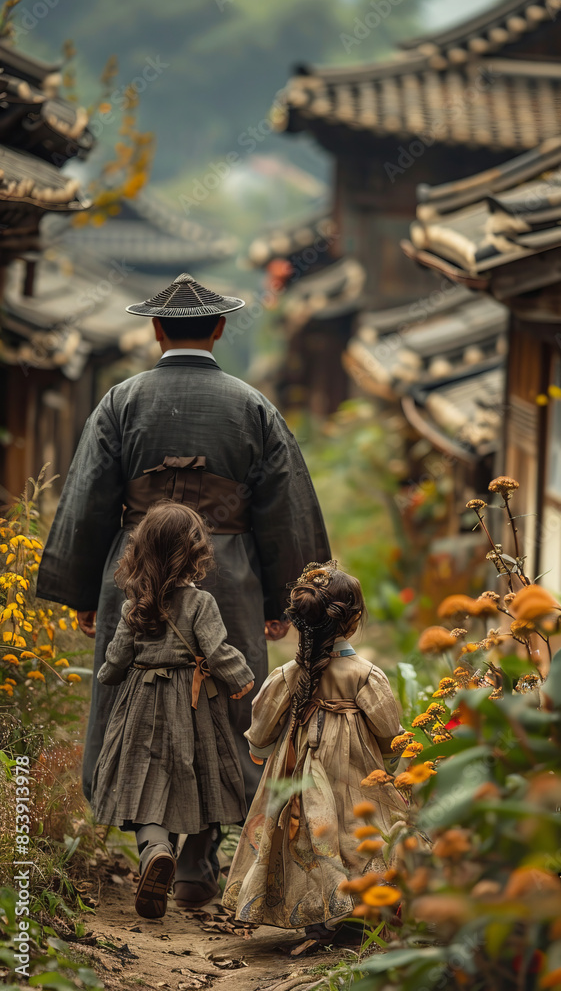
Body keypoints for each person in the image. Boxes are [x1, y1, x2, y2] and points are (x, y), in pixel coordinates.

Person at [36, 272, 330, 889]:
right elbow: (285, 510)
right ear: (220, 329)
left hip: (134, 574)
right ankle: (200, 860)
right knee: (225, 706)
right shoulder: (255, 407)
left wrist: (86, 590)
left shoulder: (121, 401)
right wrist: (285, 602)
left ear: (155, 329)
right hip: (230, 576)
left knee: (132, 708)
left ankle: (153, 844)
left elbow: (88, 499)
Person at [222, 561, 407, 940]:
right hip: (355, 774)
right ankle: (355, 910)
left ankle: (317, 913)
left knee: (305, 837)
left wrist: (265, 748)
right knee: (357, 834)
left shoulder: (288, 675)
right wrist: (388, 762)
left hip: (293, 775)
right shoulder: (366, 675)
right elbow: (391, 734)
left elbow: (260, 732)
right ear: (353, 621)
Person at [91, 500, 255, 918]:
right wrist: (241, 678)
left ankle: (155, 851)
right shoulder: (201, 604)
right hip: (192, 703)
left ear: (140, 551)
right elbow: (217, 651)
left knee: (145, 783)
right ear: (196, 552)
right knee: (197, 776)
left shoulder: (134, 605)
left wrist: (107, 675)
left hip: (140, 702)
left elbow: (115, 659)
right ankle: (190, 872)